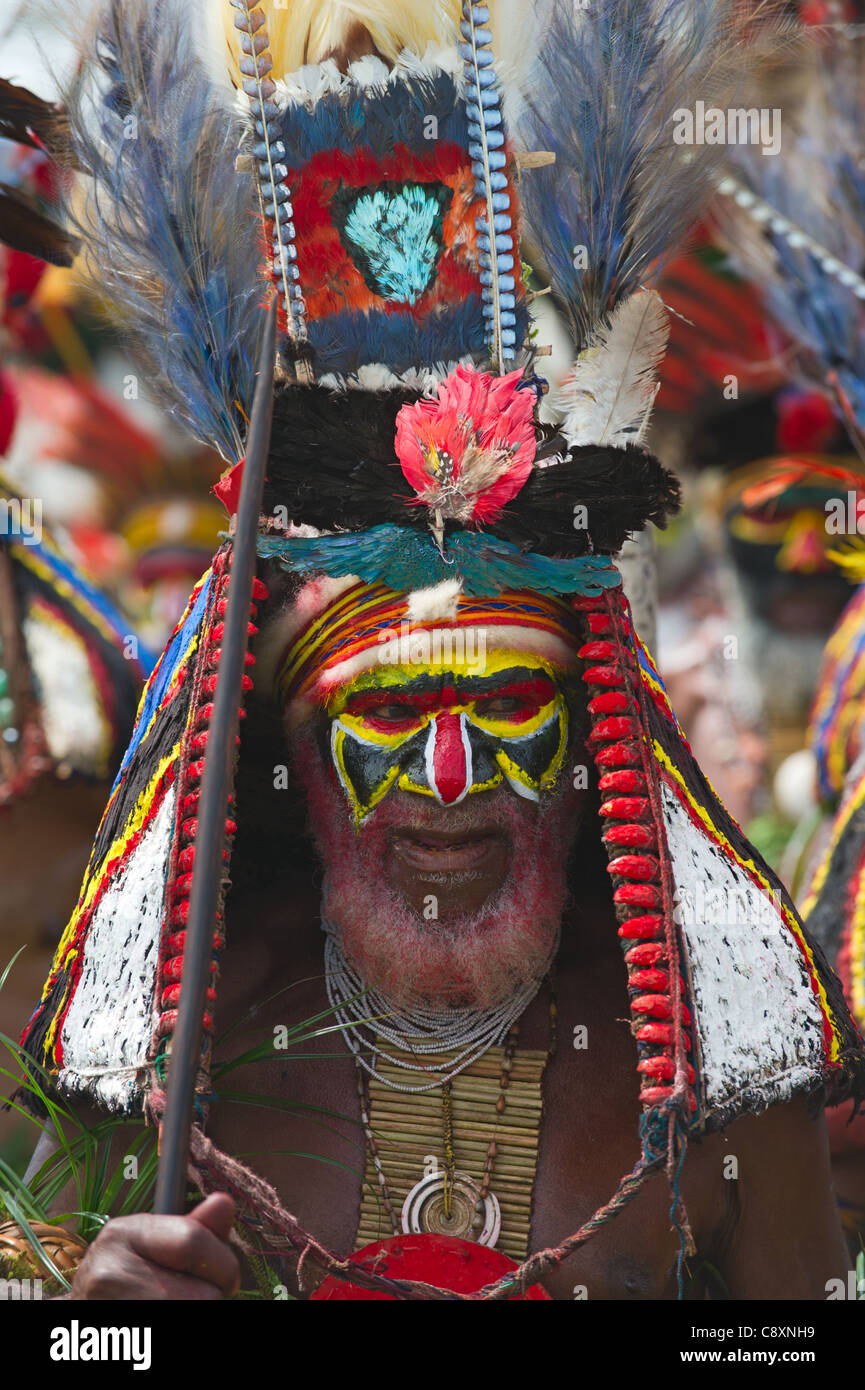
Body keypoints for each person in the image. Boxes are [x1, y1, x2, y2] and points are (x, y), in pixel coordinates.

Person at [11, 0, 865, 1301]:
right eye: (388, 723)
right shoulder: (173, 1056)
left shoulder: (713, 1076)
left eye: (510, 712)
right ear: (289, 752)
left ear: (593, 744)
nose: (452, 775)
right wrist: (99, 1334)